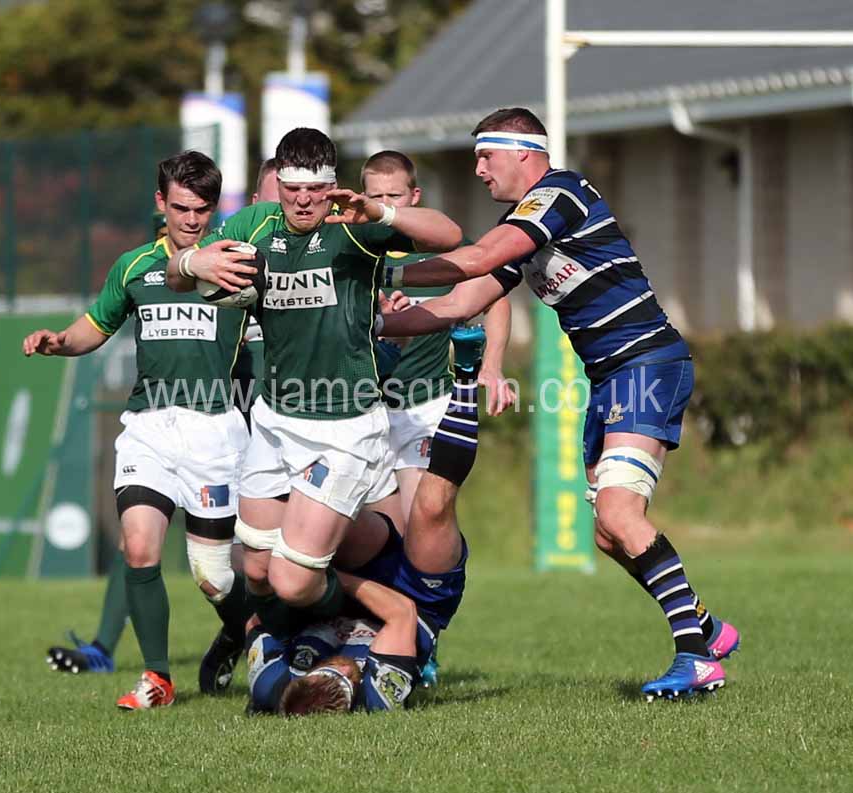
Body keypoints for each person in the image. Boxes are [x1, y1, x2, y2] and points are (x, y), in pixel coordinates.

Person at [376, 107, 740, 701]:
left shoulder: (559, 194)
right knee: (609, 535)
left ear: (522, 150)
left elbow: (476, 258)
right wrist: (367, 321)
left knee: (620, 514)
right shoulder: (522, 227)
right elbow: (457, 303)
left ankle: (696, 659)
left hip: (646, 364)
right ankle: (705, 625)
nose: (478, 170)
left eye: (485, 156)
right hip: (610, 378)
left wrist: (378, 269)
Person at [165, 128, 462, 640]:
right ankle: (300, 637)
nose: (303, 200)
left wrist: (381, 211)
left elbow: (449, 235)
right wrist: (193, 260)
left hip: (343, 426)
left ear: (332, 185)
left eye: (315, 189)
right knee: (257, 570)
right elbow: (177, 277)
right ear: (278, 184)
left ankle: (394, 611)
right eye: (292, 188)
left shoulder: (354, 225)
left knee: (293, 579)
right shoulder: (255, 225)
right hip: (275, 420)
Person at [25, 151, 254, 710]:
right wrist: (60, 342)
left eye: (202, 209)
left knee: (213, 575)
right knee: (138, 547)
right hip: (149, 426)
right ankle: (157, 678)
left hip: (213, 430)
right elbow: (94, 326)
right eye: (181, 208)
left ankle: (252, 633)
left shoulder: (239, 261)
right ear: (161, 203)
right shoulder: (134, 267)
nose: (191, 220)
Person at [360, 150, 515, 532]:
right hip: (363, 409)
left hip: (425, 405)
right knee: (376, 537)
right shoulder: (354, 249)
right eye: (376, 197)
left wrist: (492, 365)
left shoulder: (448, 249)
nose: (385, 206)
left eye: (394, 196)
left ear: (415, 196)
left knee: (423, 521)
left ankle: (438, 568)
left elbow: (496, 298)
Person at [246, 572, 434, 714]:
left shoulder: (269, 683)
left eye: (329, 672)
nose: (344, 670)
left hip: (323, 604)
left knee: (259, 572)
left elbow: (255, 625)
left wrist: (309, 580)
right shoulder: (377, 697)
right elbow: (402, 611)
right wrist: (330, 578)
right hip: (399, 598)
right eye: (347, 682)